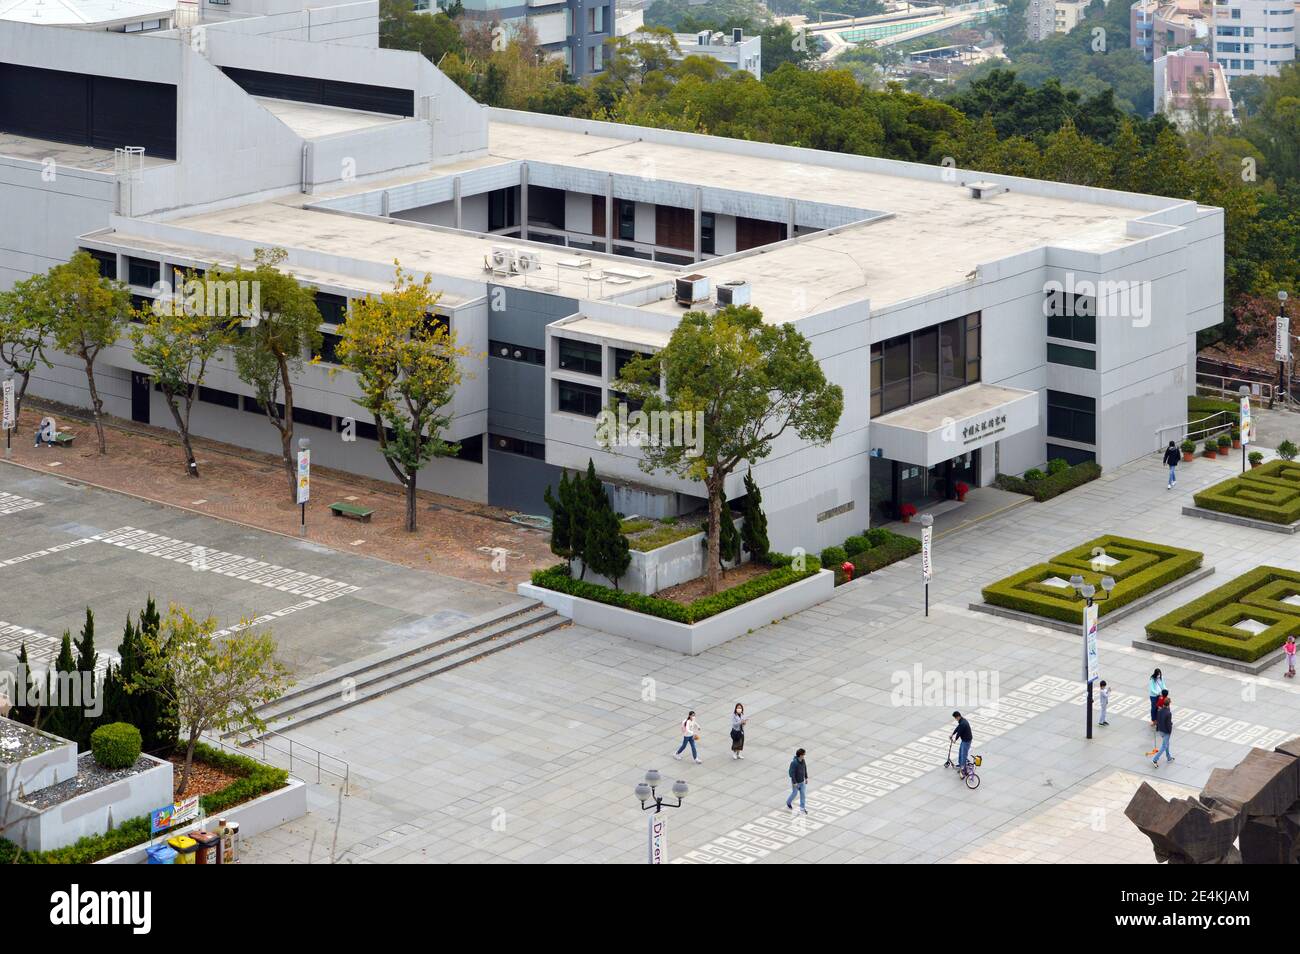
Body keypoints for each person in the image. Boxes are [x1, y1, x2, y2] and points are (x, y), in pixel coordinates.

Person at [1152, 695, 1175, 767]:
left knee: (1167, 743)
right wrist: (1170, 731)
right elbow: (1168, 724)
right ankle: (1155, 759)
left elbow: (1158, 720)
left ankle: (1168, 757)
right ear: (1169, 704)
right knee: (1164, 746)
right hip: (1166, 731)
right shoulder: (1168, 713)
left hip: (1160, 730)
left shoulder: (1160, 710)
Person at [951, 711, 973, 777]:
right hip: (964, 740)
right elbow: (958, 728)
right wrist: (952, 734)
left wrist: (955, 740)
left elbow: (959, 732)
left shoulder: (963, 723)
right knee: (960, 752)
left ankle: (963, 769)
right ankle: (961, 765)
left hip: (966, 741)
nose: (955, 719)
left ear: (958, 716)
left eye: (955, 718)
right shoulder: (962, 721)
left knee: (963, 755)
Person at [786, 748, 808, 813]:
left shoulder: (803, 761)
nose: (804, 755)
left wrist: (806, 778)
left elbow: (805, 769)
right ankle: (788, 802)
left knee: (803, 794)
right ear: (800, 755)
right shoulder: (794, 763)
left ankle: (802, 808)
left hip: (802, 781)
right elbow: (791, 773)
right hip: (796, 782)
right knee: (794, 793)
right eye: (803, 754)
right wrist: (794, 782)